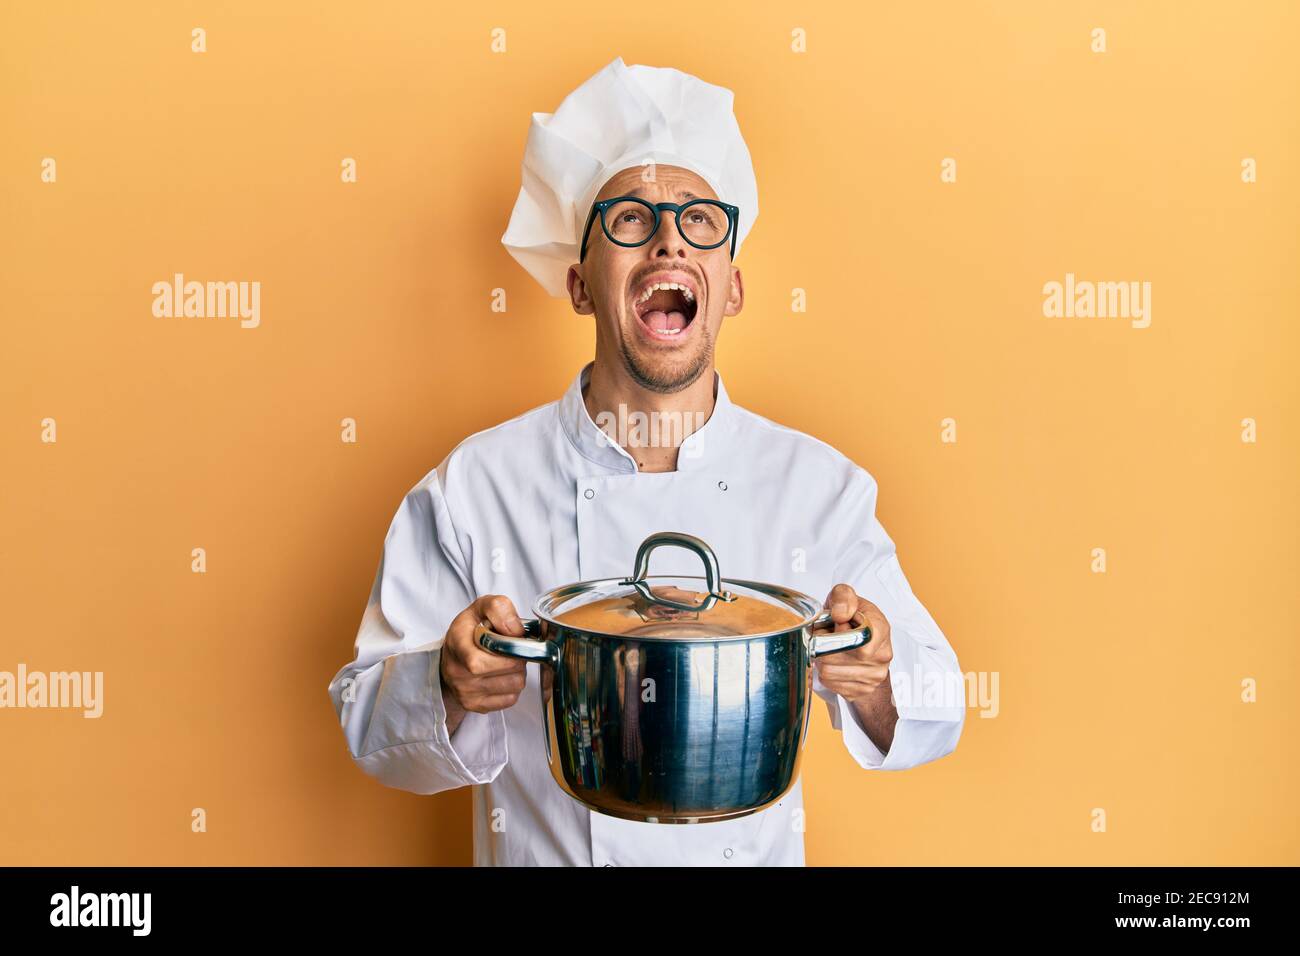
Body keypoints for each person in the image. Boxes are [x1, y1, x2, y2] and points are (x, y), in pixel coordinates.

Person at [326, 56, 964, 866]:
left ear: (731, 286)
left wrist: (878, 674)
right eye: (629, 219)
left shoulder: (821, 490)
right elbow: (362, 715)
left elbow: (944, 702)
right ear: (580, 284)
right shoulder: (473, 487)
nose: (668, 237)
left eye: (700, 220)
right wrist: (443, 687)